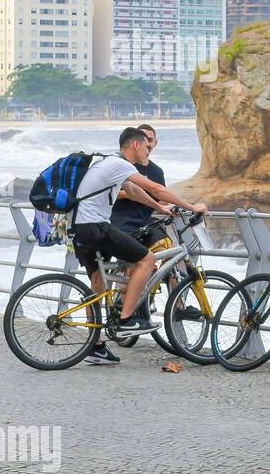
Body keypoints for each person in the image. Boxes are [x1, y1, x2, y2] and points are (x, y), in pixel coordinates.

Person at [71, 127, 208, 346]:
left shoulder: (108, 162)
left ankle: (95, 346)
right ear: (136, 145)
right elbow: (157, 189)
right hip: (96, 228)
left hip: (78, 228)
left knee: (97, 282)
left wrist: (159, 208)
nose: (148, 150)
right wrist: (192, 206)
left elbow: (134, 192)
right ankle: (127, 319)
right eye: (146, 146)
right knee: (146, 260)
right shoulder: (120, 164)